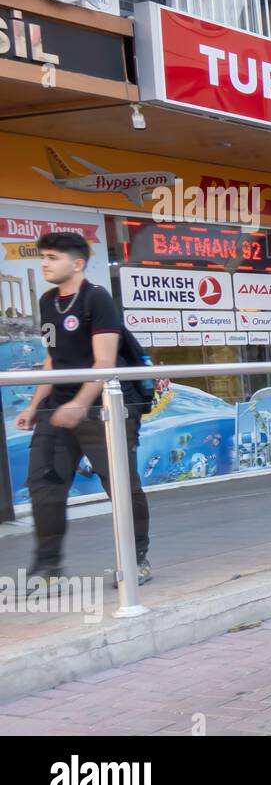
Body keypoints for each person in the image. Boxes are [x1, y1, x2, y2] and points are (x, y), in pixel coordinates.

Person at [14, 231, 151, 586]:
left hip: (104, 406)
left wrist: (79, 404)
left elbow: (104, 362)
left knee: (121, 484)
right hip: (57, 409)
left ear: (76, 264)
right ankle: (49, 569)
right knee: (44, 483)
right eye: (43, 256)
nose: (44, 262)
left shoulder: (98, 299)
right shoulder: (47, 301)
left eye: (52, 257)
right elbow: (53, 360)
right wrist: (34, 405)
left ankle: (137, 560)